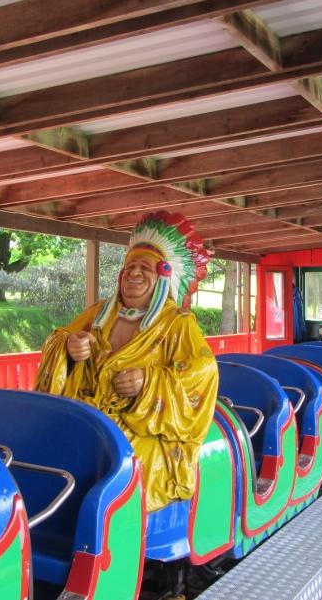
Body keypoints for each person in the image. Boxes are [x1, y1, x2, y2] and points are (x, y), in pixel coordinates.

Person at [35, 211, 219, 512]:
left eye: (144, 267)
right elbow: (58, 340)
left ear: (163, 274)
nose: (133, 273)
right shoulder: (98, 313)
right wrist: (68, 347)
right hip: (86, 414)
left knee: (115, 463)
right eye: (129, 266)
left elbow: (202, 373)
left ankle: (109, 525)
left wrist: (149, 383)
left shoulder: (177, 323)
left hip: (142, 425)